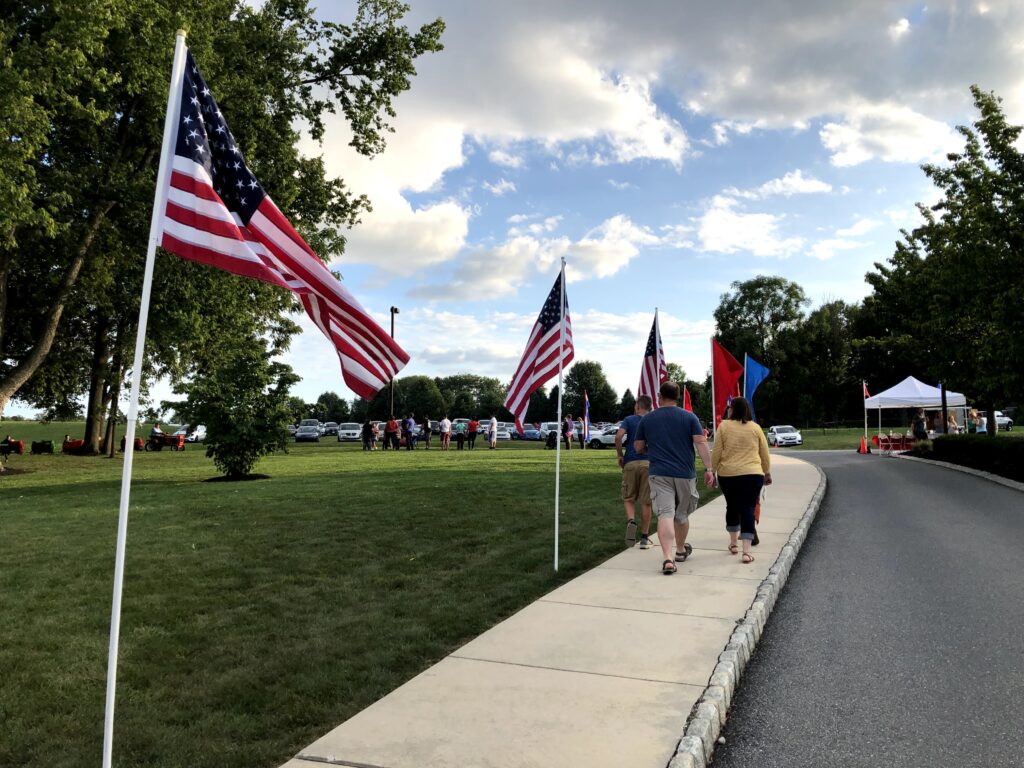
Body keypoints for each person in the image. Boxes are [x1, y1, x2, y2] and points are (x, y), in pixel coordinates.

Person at [634, 381, 714, 575]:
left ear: (660, 397)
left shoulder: (647, 419)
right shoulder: (689, 417)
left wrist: (649, 448)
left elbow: (638, 447)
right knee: (681, 515)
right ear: (677, 397)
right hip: (685, 474)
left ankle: (668, 558)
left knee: (665, 514)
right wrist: (709, 469)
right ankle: (680, 550)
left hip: (659, 473)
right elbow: (701, 443)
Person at [710, 397, 771, 565]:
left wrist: (712, 471)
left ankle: (733, 543)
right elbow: (764, 453)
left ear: (733, 410)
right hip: (752, 474)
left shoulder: (724, 426)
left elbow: (716, 452)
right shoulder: (756, 428)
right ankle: (746, 552)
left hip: (728, 475)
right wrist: (767, 472)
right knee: (748, 509)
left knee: (732, 506)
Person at [616, 395, 654, 549]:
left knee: (629, 497)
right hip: (648, 463)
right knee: (646, 501)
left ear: (638, 406)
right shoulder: (653, 420)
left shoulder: (629, 420)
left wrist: (620, 455)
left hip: (630, 462)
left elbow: (618, 437)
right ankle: (644, 538)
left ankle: (631, 520)